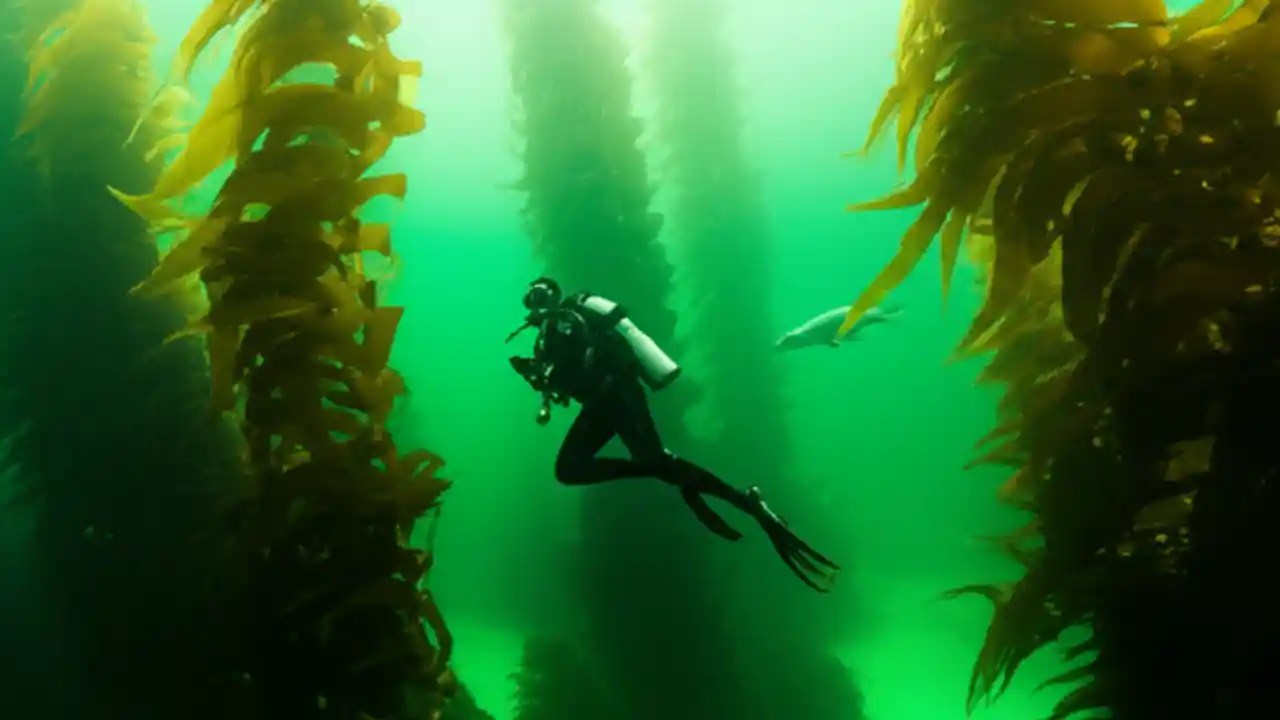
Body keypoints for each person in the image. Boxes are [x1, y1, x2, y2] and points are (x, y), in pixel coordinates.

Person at [506, 277, 839, 592]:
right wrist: (539, 376)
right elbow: (567, 380)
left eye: (539, 296)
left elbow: (572, 368)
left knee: (615, 465)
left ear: (551, 297)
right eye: (531, 298)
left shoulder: (564, 322)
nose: (534, 304)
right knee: (573, 469)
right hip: (602, 403)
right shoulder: (552, 331)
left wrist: (542, 374)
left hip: (618, 398)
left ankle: (744, 500)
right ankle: (721, 491)